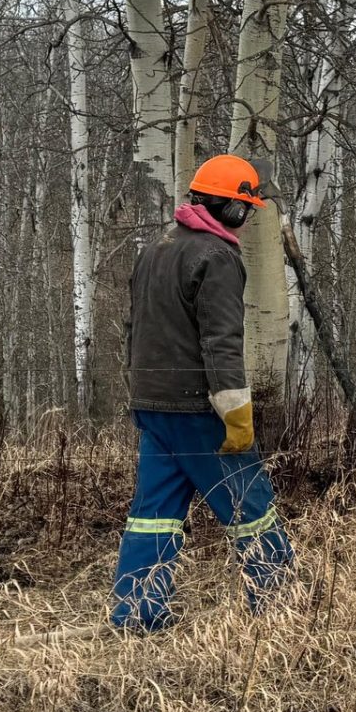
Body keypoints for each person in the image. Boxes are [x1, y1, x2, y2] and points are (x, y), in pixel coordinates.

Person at [112, 154, 295, 632]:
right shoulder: (216, 256)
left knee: (154, 513)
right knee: (249, 504)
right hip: (199, 407)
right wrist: (235, 412)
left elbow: (134, 329)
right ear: (228, 205)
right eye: (245, 205)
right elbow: (221, 342)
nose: (248, 214)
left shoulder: (157, 247)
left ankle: (136, 613)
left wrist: (141, 394)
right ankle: (280, 606)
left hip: (152, 403)